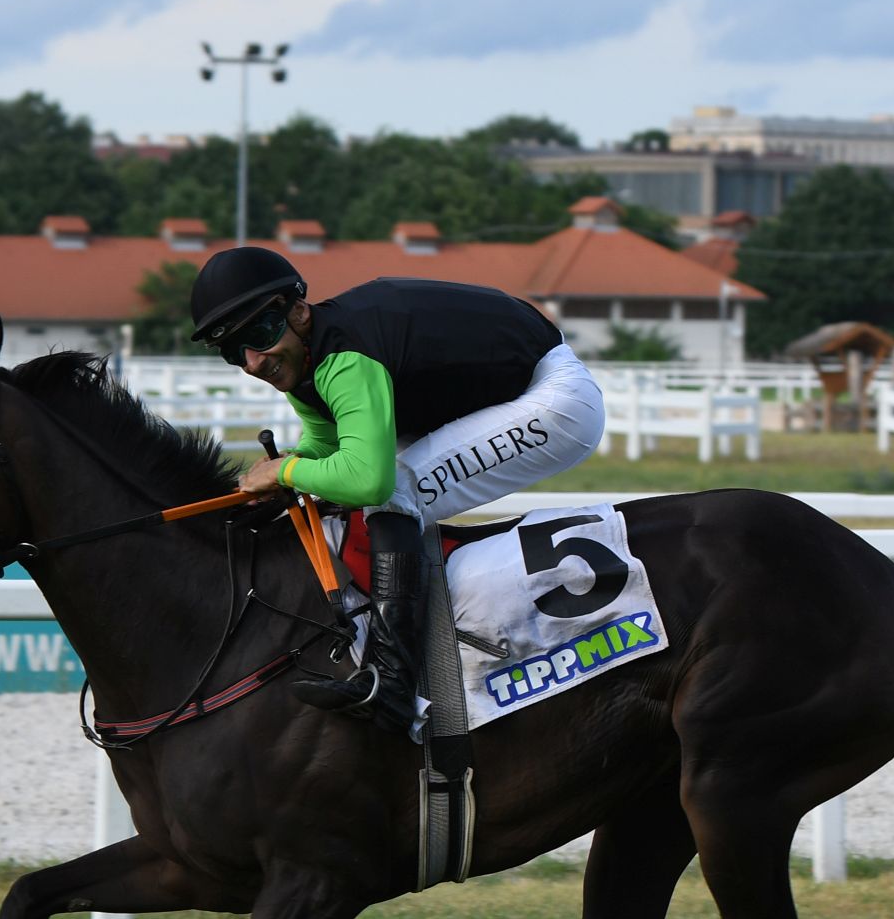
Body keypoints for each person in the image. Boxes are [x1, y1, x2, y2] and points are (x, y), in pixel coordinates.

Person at [188, 246, 607, 738]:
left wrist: (283, 473)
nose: (254, 362)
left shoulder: (343, 357)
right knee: (340, 496)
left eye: (258, 335)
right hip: (509, 386)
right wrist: (287, 475)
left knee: (394, 492)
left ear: (297, 311)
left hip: (556, 400)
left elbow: (368, 479)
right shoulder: (305, 361)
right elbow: (326, 448)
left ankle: (391, 689)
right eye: (234, 352)